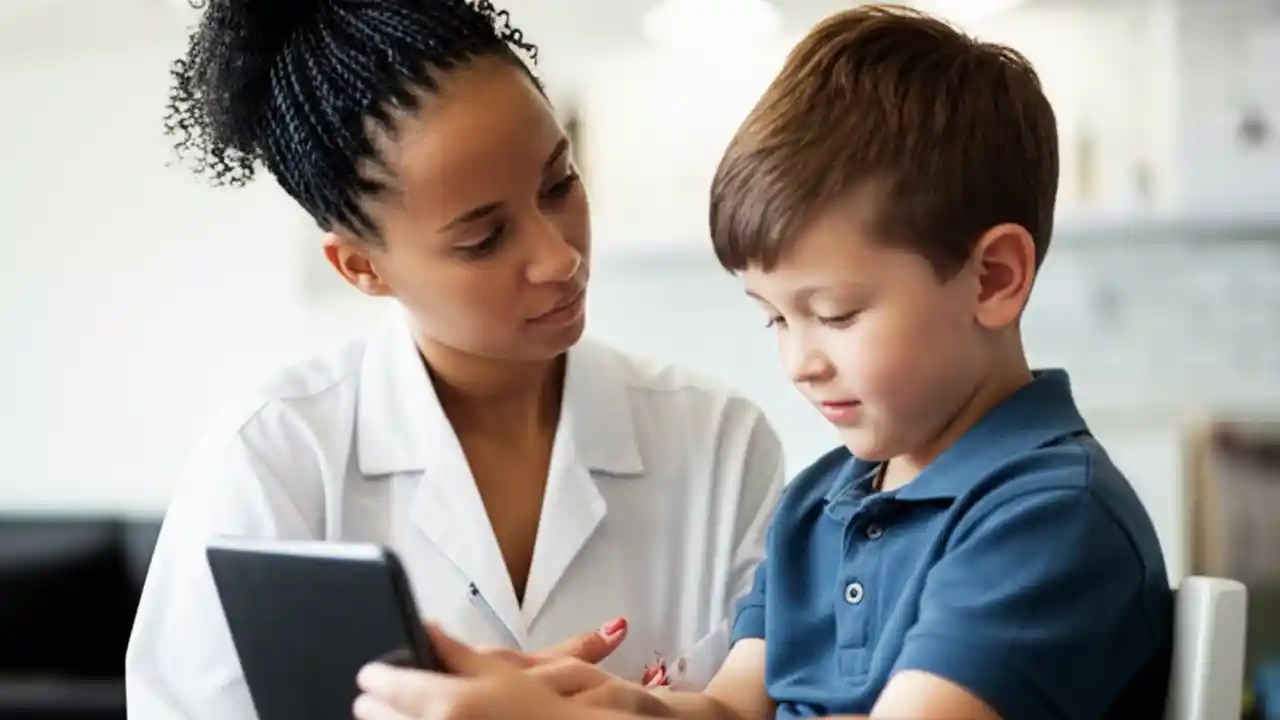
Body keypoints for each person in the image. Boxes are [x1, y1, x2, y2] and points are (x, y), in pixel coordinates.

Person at [347, 5, 1175, 720]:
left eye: (835, 314)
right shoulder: (821, 503)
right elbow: (730, 707)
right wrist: (603, 701)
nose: (799, 362)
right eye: (774, 319)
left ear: (992, 278)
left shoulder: (1047, 518)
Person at [123, 0, 785, 717]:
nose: (558, 257)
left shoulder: (722, 445)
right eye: (483, 239)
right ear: (361, 268)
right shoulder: (273, 457)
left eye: (559, 184)